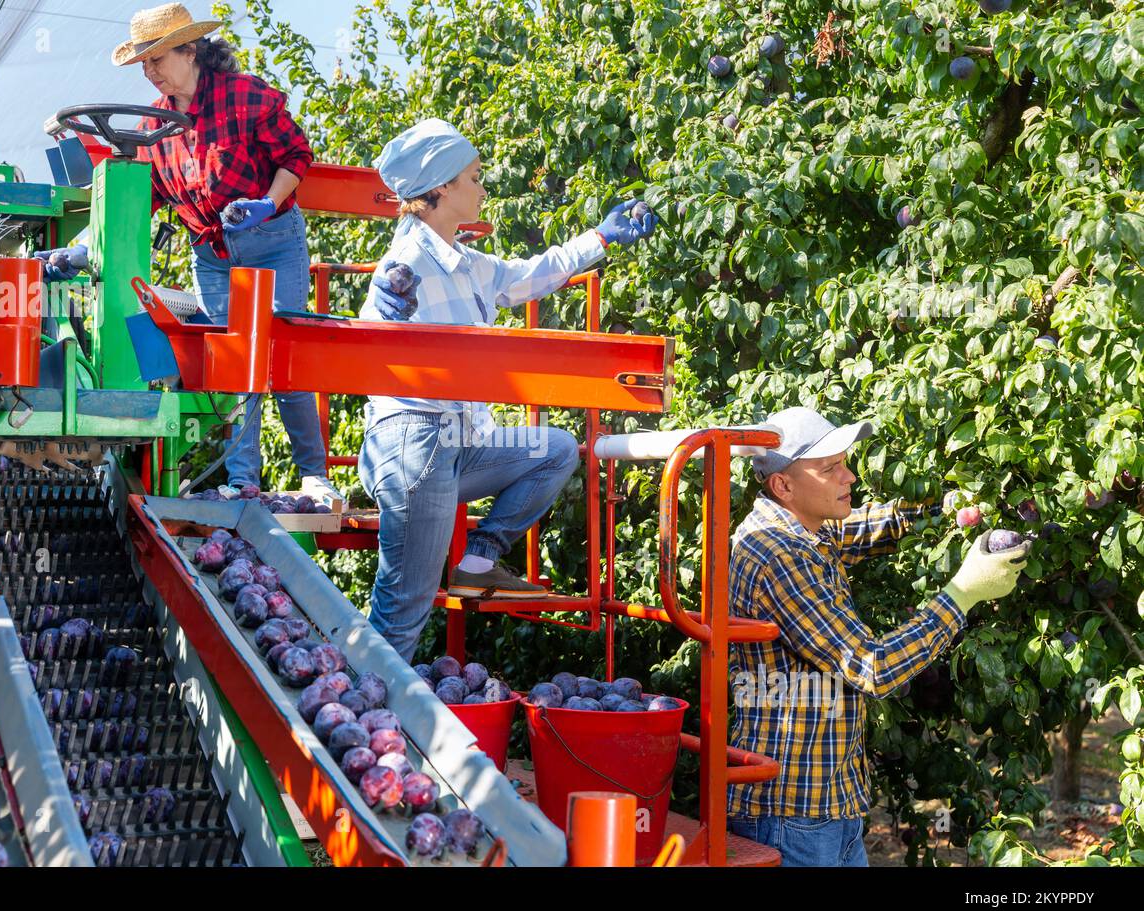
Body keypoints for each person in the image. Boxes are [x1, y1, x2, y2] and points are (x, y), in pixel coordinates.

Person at [357, 118, 657, 662]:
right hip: (414, 445)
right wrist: (383, 304)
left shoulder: (466, 263)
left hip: (457, 446)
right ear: (441, 186)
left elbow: (531, 273)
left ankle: (477, 561)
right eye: (474, 176)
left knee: (556, 448)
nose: (482, 187)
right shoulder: (405, 262)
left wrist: (602, 237)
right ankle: (362, 723)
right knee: (404, 609)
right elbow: (373, 316)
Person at [728, 407, 1029, 866]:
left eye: (845, 461)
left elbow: (865, 525)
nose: (849, 476)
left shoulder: (802, 529)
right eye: (831, 468)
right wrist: (964, 593)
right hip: (793, 814)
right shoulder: (778, 554)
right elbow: (874, 666)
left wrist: (944, 508)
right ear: (783, 485)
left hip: (825, 803)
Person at [109, 3, 336, 498]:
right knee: (234, 365)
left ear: (190, 51)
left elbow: (296, 155)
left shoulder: (245, 96)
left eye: (157, 59)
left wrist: (265, 203)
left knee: (285, 356)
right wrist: (93, 242)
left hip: (272, 242)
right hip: (212, 255)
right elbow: (141, 201)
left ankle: (315, 477)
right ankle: (241, 482)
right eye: (143, 64)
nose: (149, 72)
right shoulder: (153, 129)